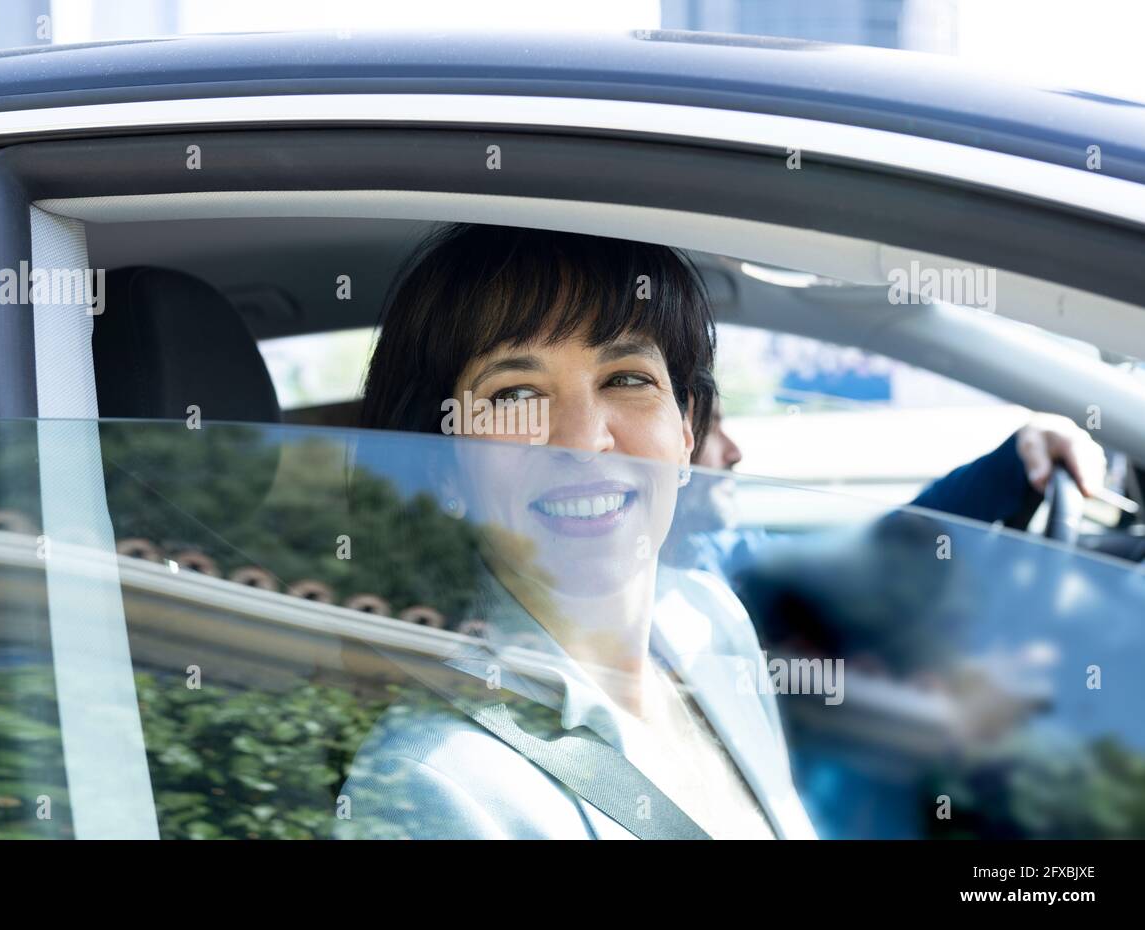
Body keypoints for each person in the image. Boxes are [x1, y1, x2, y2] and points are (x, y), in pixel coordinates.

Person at [334, 223, 815, 839]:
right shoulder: (433, 783)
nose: (584, 440)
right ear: (442, 464)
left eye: (626, 379)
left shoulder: (711, 621)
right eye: (515, 394)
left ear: (685, 427)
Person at [674, 394, 1107, 584]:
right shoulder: (691, 573)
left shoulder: (715, 556)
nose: (735, 452)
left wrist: (1015, 456)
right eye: (712, 426)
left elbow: (884, 546)